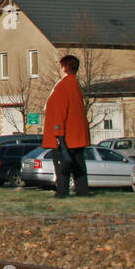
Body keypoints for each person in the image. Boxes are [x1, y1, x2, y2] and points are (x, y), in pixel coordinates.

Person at [41, 54, 91, 197]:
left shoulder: (63, 86)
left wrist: (58, 133)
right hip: (77, 135)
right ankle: (82, 190)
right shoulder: (75, 84)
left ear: (64, 67)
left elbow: (59, 111)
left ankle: (62, 191)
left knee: (62, 165)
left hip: (65, 135)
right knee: (78, 165)